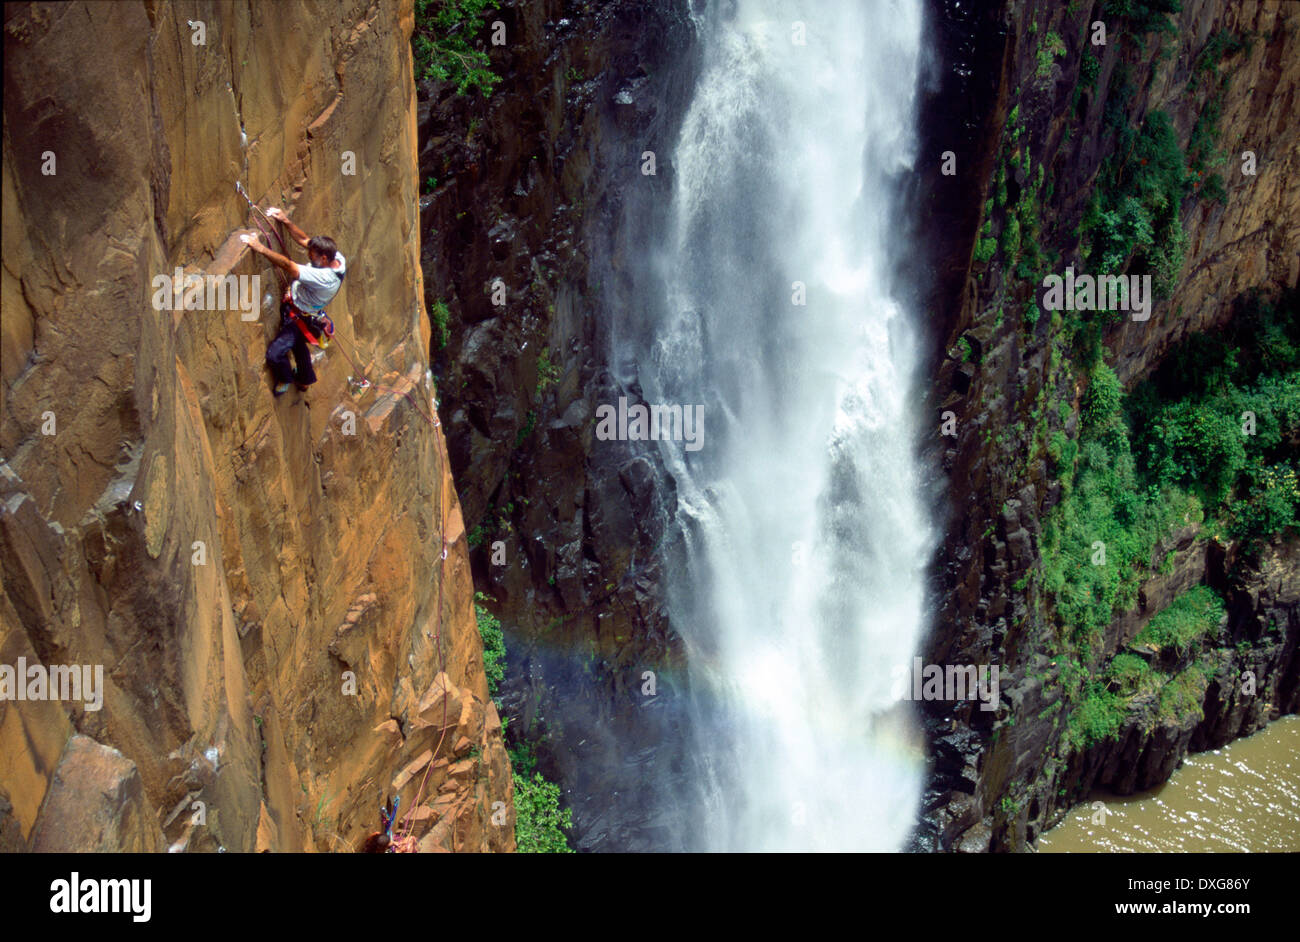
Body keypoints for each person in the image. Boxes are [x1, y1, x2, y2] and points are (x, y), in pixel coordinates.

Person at [241, 209, 347, 395]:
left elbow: (288, 266)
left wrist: (260, 248)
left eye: (312, 256)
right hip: (304, 314)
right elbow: (305, 240)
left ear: (323, 259)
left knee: (274, 354)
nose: (309, 256)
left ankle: (286, 377)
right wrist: (285, 221)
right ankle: (305, 379)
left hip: (298, 318)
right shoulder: (336, 258)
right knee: (298, 347)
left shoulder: (324, 277)